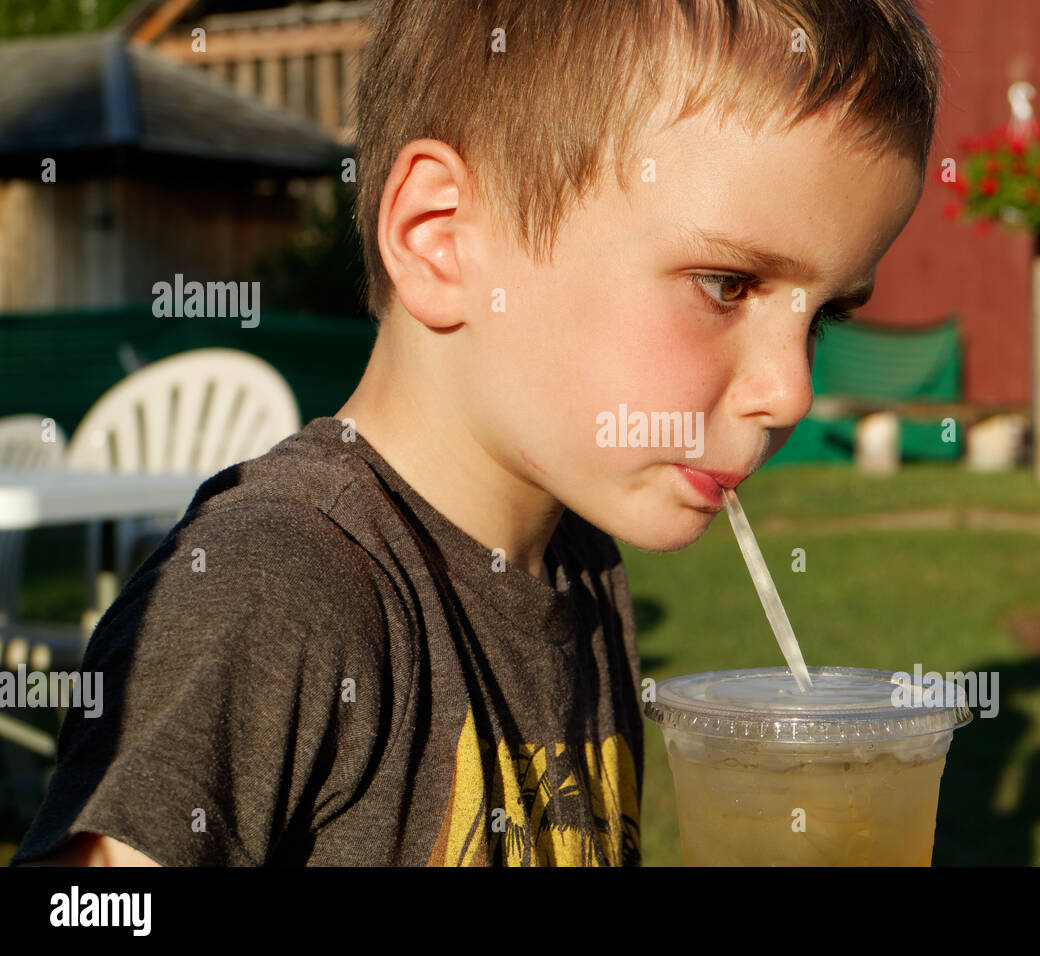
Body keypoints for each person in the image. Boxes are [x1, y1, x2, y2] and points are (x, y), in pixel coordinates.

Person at [12, 0, 937, 866]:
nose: (791, 391)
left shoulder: (578, 563)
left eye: (824, 316)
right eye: (728, 284)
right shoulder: (277, 590)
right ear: (441, 238)